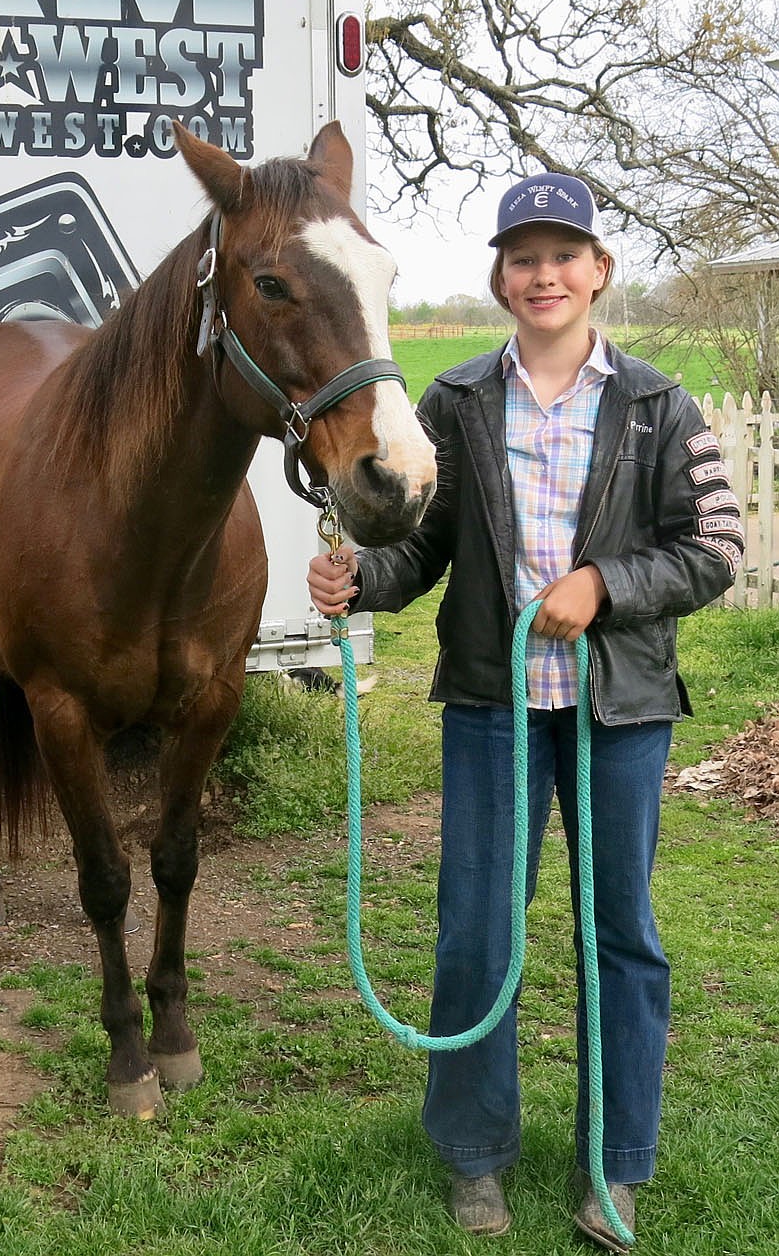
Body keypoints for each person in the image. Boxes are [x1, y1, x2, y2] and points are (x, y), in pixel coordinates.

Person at [307, 173, 743, 1250]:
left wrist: (607, 585)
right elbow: (423, 547)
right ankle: (473, 1152)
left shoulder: (656, 403)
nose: (542, 275)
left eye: (563, 254)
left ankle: (614, 1162)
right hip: (494, 709)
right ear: (500, 278)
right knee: (473, 935)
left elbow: (717, 547)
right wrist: (363, 578)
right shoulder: (456, 401)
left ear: (599, 271)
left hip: (617, 712)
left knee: (622, 936)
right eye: (521, 257)